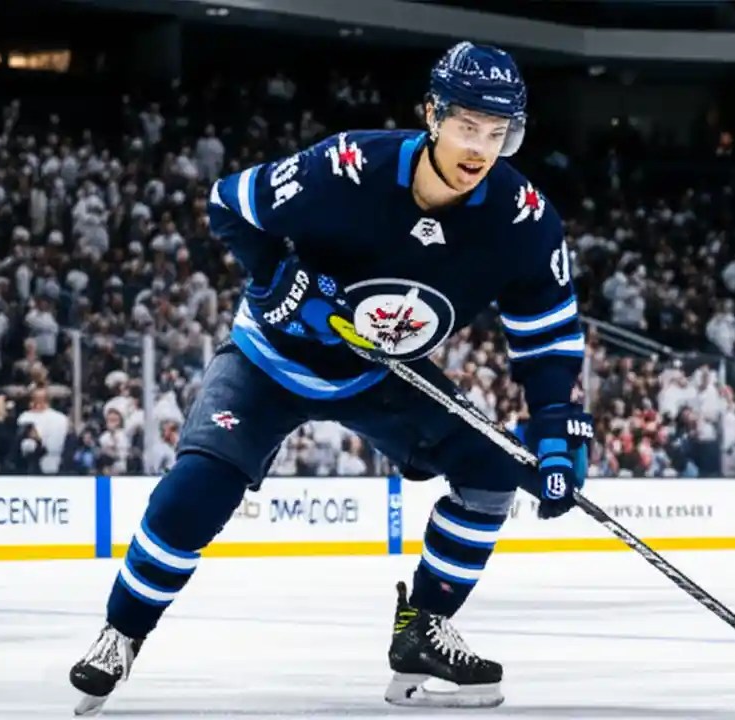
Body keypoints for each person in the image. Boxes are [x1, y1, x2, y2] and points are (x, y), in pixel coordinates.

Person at [68, 41, 593, 714]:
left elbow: (548, 338)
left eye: (498, 133)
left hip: (380, 370)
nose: (479, 149)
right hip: (270, 358)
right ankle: (121, 632)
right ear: (432, 114)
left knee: (493, 470)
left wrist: (555, 430)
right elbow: (227, 204)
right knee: (198, 487)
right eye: (467, 126)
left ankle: (423, 629)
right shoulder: (347, 167)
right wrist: (281, 282)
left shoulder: (524, 220)